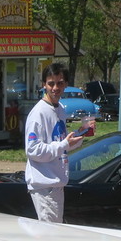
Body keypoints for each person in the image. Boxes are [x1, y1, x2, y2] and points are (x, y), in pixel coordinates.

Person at [23, 61, 89, 223]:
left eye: (60, 83)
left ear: (66, 84)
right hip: (44, 186)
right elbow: (32, 150)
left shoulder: (59, 109)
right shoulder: (39, 113)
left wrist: (81, 133)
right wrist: (63, 145)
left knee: (54, 233)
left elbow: (61, 144)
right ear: (43, 85)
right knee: (50, 237)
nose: (55, 88)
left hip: (56, 184)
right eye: (51, 83)